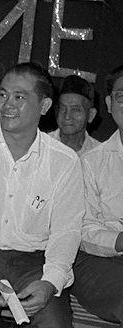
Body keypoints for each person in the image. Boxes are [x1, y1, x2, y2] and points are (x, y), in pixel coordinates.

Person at [0, 62, 84, 328]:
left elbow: (66, 233)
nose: (8, 103)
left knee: (55, 323)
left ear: (44, 107)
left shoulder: (64, 161)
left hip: (36, 262)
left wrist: (50, 283)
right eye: (3, 94)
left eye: (19, 97)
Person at [71, 65, 123, 322]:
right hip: (99, 262)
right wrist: (120, 240)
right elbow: (83, 230)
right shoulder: (91, 162)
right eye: (121, 96)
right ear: (109, 104)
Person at [49, 74, 100, 156]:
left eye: (75, 110)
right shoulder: (41, 147)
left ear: (91, 115)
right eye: (62, 108)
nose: (67, 116)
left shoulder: (100, 155)